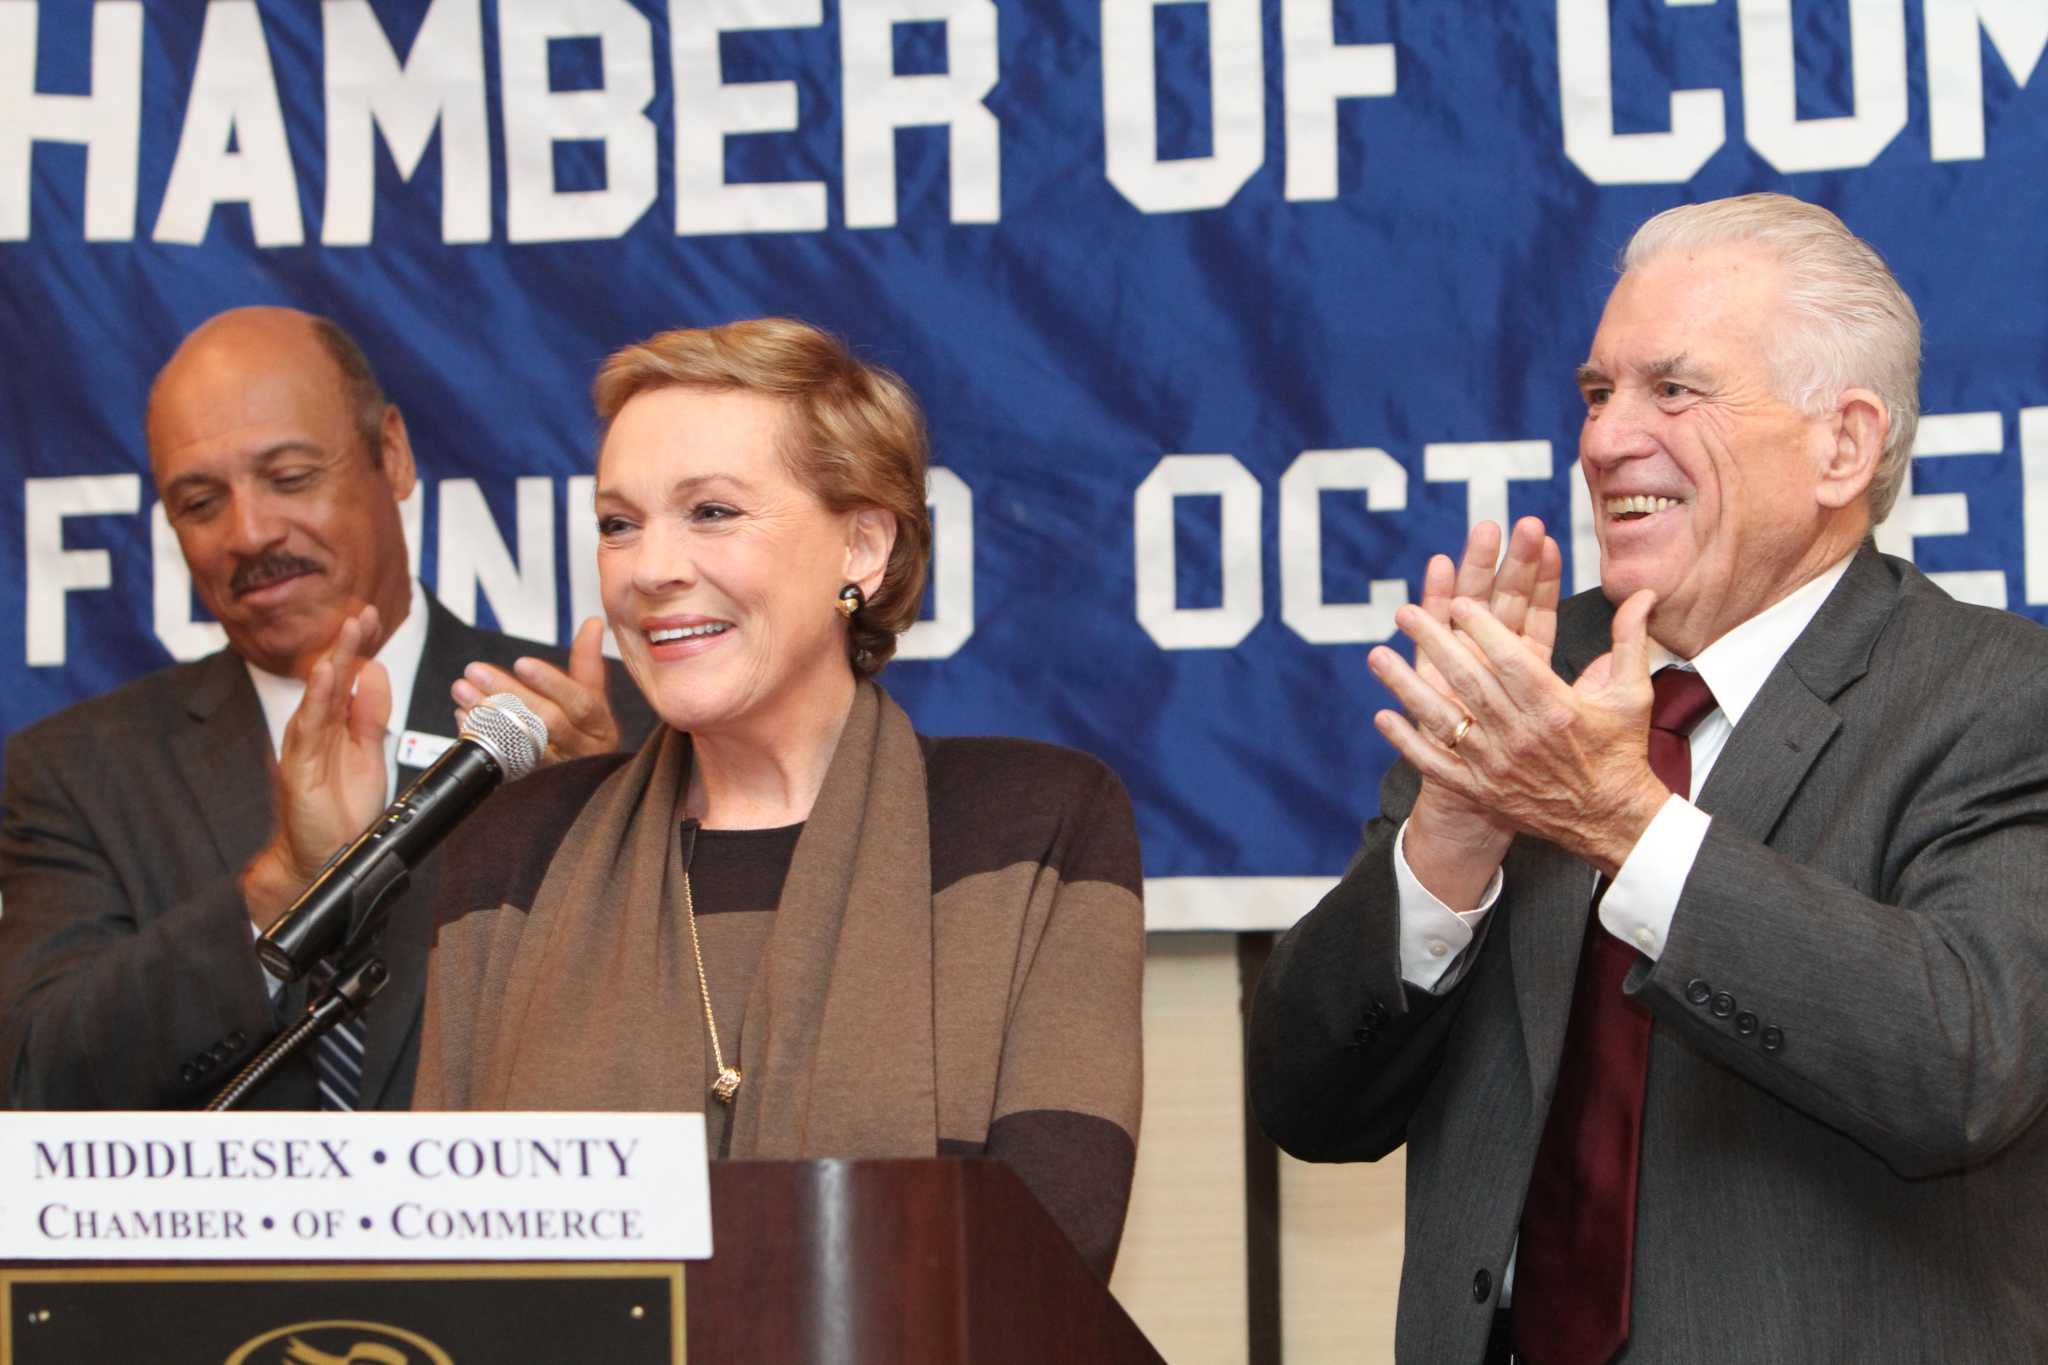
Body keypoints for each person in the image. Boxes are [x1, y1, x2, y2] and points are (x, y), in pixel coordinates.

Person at [1249, 193, 2048, 1362]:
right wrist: (1456, 833)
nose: (1606, 438)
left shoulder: (1994, 698)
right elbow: (1308, 1107)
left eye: (1672, 390)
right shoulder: (1526, 678)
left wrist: (1624, 823)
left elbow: (1963, 1067)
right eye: (1595, 393)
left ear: (1843, 443)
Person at [412, 317, 1145, 1278]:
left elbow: (1045, 1258)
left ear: (864, 546)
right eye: (618, 524)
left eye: (711, 511)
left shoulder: (1034, 829)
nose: (651, 568)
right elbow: (438, 1255)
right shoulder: (512, 850)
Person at [0, 307, 652, 1112]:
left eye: (289, 477)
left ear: (394, 454)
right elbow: (39, 1082)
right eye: (201, 502)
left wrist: (600, 830)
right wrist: (280, 884)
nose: (249, 531)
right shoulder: (75, 772)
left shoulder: (626, 724)